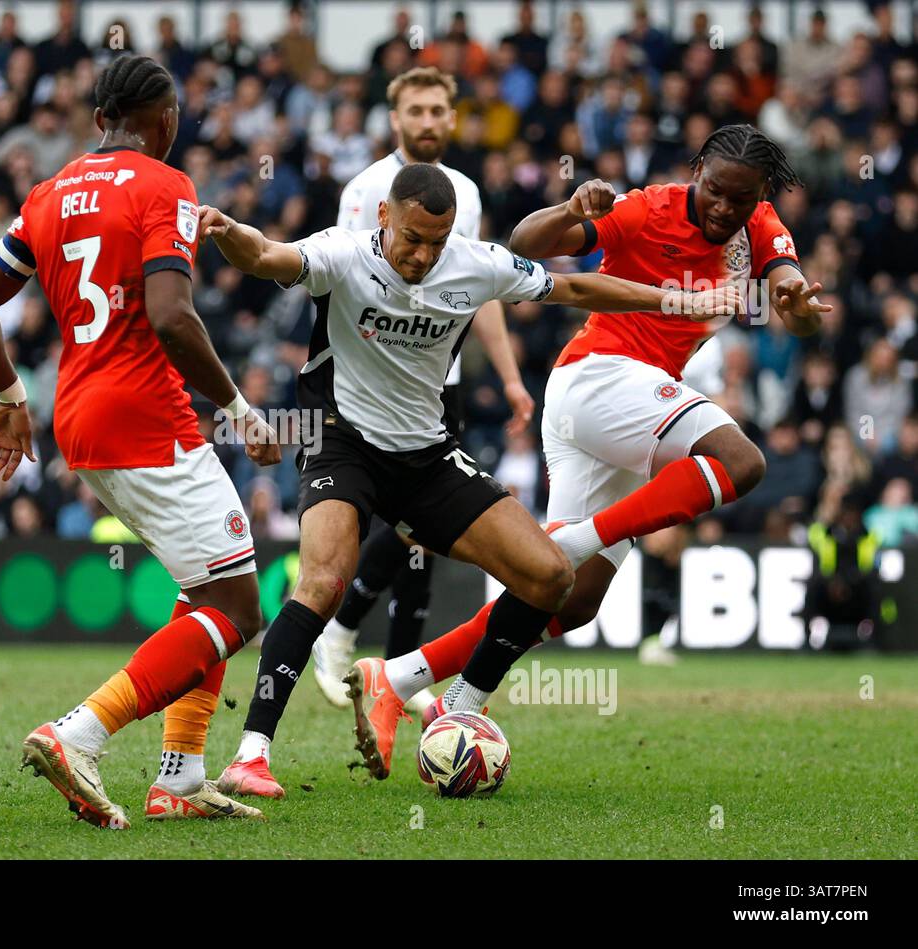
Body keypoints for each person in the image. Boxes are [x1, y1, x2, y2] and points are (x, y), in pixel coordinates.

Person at [203, 162, 743, 797]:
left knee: (551, 576)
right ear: (384, 217)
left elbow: (575, 288)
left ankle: (454, 705)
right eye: (412, 238)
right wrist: (228, 230)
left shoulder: (475, 264)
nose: (423, 255)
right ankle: (252, 755)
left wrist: (674, 300)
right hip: (342, 444)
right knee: (323, 581)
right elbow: (264, 255)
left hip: (428, 456)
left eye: (437, 241)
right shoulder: (341, 253)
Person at [376, 125, 828, 760]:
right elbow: (525, 245)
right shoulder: (648, 209)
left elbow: (795, 306)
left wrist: (798, 306)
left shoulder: (759, 225)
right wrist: (569, 210)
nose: (726, 208)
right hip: (600, 377)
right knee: (740, 461)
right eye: (717, 191)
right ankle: (574, 543)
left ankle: (402, 679)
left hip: (625, 406)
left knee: (572, 598)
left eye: (742, 198)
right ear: (697, 170)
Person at [0, 55, 280, 828]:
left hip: (76, 416)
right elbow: (171, 316)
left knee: (203, 586)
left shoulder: (48, 193)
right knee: (239, 607)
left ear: (100, 119)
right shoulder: (166, 185)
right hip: (146, 414)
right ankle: (80, 732)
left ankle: (180, 776)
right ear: (166, 121)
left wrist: (9, 397)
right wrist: (238, 407)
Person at [310, 66, 533, 716]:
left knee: (425, 538)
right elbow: (338, 280)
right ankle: (343, 629)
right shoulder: (365, 190)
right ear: (395, 118)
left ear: (452, 117)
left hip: (441, 384)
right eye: (417, 110)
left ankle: (399, 671)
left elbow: (478, 287)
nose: (429, 121)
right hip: (370, 386)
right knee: (403, 525)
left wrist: (511, 377)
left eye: (439, 109)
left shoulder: (464, 191)